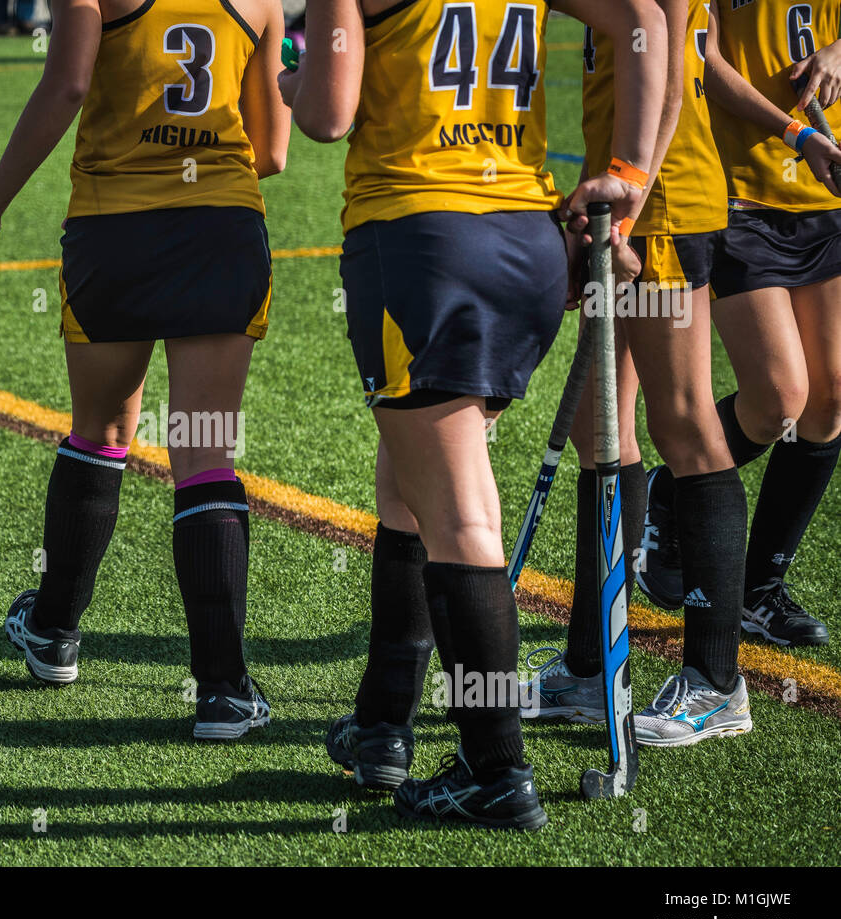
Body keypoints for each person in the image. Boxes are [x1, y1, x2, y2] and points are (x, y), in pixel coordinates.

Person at [282, 0, 666, 828]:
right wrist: (629, 178)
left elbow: (327, 114)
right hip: (522, 238)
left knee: (457, 508)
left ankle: (495, 767)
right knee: (411, 479)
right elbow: (643, 15)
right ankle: (383, 720)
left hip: (419, 235)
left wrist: (294, 78)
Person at [0, 0, 290, 739]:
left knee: (100, 429)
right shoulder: (262, 3)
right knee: (205, 450)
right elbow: (273, 152)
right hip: (221, 226)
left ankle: (55, 629)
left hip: (112, 231)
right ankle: (221, 689)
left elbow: (66, 88)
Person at [525, 0, 762, 747]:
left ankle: (717, 682)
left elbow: (663, 65)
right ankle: (596, 667)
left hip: (659, 206)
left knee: (684, 420)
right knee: (608, 423)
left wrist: (630, 195)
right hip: (630, 202)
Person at [641, 0, 841, 651]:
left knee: (831, 399)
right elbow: (703, 56)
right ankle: (671, 489)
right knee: (781, 396)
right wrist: (793, 132)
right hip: (742, 189)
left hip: (826, 188)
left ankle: (761, 591)